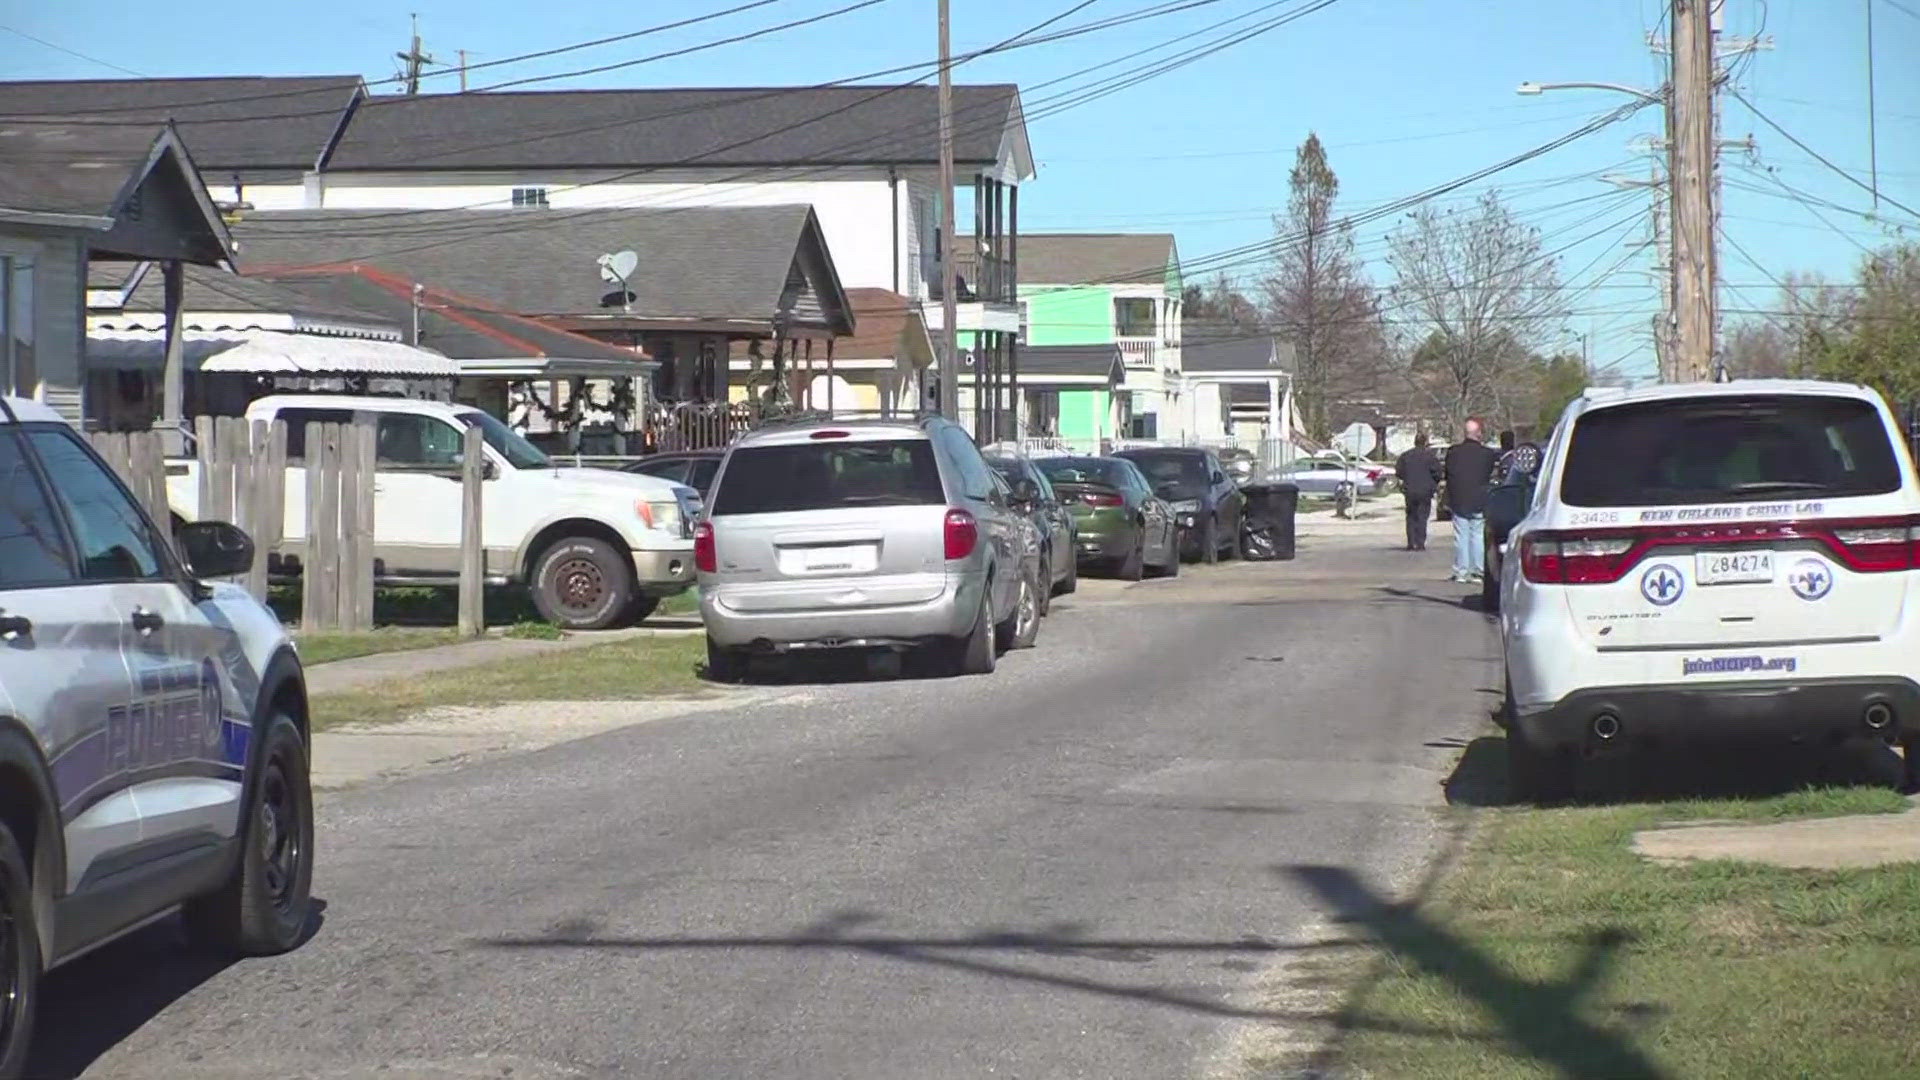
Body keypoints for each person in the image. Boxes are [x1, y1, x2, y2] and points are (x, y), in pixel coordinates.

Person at [1443, 418, 1501, 583]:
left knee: (1461, 536)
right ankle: (1478, 571)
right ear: (1479, 434)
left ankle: (1461, 571)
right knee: (1477, 535)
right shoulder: (1488, 454)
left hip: (1459, 497)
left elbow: (1448, 473)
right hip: (1479, 499)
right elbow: (1489, 473)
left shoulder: (1453, 452)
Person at [1393, 432, 1443, 551]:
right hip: (1425, 491)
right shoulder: (1430, 457)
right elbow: (1438, 473)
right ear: (1425, 442)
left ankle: (1411, 542)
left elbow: (1399, 472)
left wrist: (1406, 479)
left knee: (1411, 516)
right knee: (1422, 516)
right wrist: (1434, 483)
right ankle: (1420, 542)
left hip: (1410, 490)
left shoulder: (1405, 456)